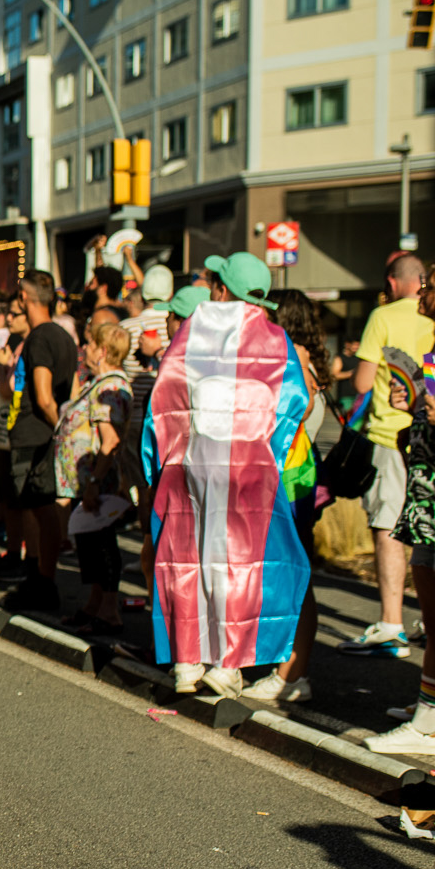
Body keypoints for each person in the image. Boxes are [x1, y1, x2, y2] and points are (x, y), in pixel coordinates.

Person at [144, 253, 310, 700]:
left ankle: (186, 661)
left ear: (221, 288)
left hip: (191, 465)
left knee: (186, 558)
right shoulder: (275, 337)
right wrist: (267, 452)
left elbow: (163, 399)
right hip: (250, 471)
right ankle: (227, 663)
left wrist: (155, 463)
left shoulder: (193, 328)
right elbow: (297, 400)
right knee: (239, 563)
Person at [363, 259, 435, 761]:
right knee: (432, 614)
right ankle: (431, 710)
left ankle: (430, 724)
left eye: (431, 287)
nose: (421, 294)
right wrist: (414, 403)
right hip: (429, 491)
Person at [340, 252, 435, 659]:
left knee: (388, 526)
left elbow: (363, 381)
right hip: (432, 435)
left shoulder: (383, 316)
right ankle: (430, 625)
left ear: (395, 282)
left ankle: (391, 622)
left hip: (388, 431)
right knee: (430, 534)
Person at [250, 289, 331, 705]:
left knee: (294, 575)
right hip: (292, 472)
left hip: (292, 475)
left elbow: (291, 413)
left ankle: (292, 673)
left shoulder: (293, 355)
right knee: (288, 574)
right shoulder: (297, 354)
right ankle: (285, 666)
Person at [0, 270, 76, 614]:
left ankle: (42, 583)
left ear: (24, 299)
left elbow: (45, 397)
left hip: (35, 434)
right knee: (41, 510)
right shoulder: (63, 335)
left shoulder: (41, 337)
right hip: (41, 434)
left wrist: (57, 427)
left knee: (39, 510)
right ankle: (41, 581)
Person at [54, 322, 132, 636]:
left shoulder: (108, 387)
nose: (83, 350)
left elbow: (109, 440)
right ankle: (95, 605)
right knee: (92, 544)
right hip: (88, 481)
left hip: (97, 483)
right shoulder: (100, 382)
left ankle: (109, 611)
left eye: (87, 345)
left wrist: (95, 483)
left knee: (102, 545)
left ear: (101, 350)